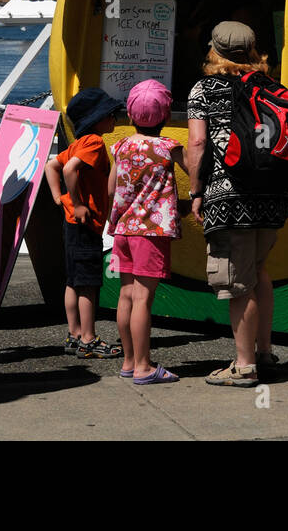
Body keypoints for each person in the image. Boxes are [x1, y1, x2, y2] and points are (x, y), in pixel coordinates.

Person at [187, 21, 288, 387]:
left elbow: (198, 145)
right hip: (274, 195)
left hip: (232, 197)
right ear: (253, 50)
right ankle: (264, 352)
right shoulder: (276, 88)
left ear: (213, 49)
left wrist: (196, 191)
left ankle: (244, 366)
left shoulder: (205, 89)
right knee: (260, 271)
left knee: (238, 282)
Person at [107, 80, 184, 384]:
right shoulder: (168, 147)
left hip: (123, 229)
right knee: (143, 299)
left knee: (126, 295)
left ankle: (128, 362)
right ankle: (143, 367)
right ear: (166, 116)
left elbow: (112, 187)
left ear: (130, 114)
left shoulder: (122, 146)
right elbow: (194, 172)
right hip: (151, 232)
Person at [45, 87, 123, 360]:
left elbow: (51, 166)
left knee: (74, 280)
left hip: (71, 223)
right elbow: (68, 170)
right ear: (97, 118)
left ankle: (75, 334)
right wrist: (78, 203)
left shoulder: (78, 143)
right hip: (86, 223)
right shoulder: (94, 142)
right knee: (89, 283)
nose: (115, 118)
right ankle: (89, 338)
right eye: (111, 114)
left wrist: (60, 199)